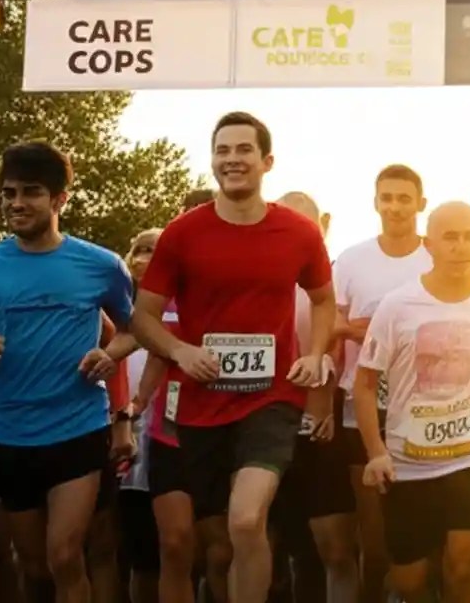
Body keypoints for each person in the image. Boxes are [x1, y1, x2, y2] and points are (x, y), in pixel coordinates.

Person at [132, 111, 334, 603]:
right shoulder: (182, 234)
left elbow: (324, 301)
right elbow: (143, 317)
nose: (232, 160)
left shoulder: (299, 233)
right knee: (214, 541)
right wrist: (180, 349)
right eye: (223, 151)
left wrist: (314, 354)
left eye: (243, 150)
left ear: (266, 161)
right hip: (201, 406)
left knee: (247, 519)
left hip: (272, 398)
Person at [0, 142, 137, 603]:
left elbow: (133, 330)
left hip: (78, 427)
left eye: (31, 192)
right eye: (9, 193)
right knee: (35, 566)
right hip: (8, 434)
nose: (17, 203)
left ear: (60, 199)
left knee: (65, 554)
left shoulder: (101, 265)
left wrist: (109, 356)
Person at [356, 201, 470, 603]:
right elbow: (363, 385)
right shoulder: (397, 305)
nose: (461, 246)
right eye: (450, 237)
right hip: (408, 464)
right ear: (429, 244)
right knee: (410, 583)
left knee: (463, 569)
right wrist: (376, 452)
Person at [332, 163, 432, 603]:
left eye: (404, 198)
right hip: (363, 406)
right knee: (373, 538)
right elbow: (330, 319)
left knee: (427, 535)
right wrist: (361, 330)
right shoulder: (352, 259)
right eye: (386, 198)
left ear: (420, 204)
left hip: (430, 407)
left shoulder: (436, 256)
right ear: (375, 203)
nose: (395, 207)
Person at [132, 188, 224, 603]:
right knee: (174, 546)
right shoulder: (158, 289)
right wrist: (131, 408)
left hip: (228, 428)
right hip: (169, 431)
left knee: (221, 551)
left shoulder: (244, 283)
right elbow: (144, 342)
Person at [272, 191, 359, 603]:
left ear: (323, 225)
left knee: (336, 548)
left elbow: (340, 339)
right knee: (277, 550)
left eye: (306, 224)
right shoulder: (256, 278)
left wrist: (324, 402)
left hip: (322, 429)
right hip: (265, 429)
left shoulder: (337, 280)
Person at [119, 228, 164, 603]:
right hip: (120, 444)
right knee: (131, 553)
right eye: (139, 250)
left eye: (154, 251)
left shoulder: (184, 313)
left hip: (168, 443)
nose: (143, 259)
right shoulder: (110, 312)